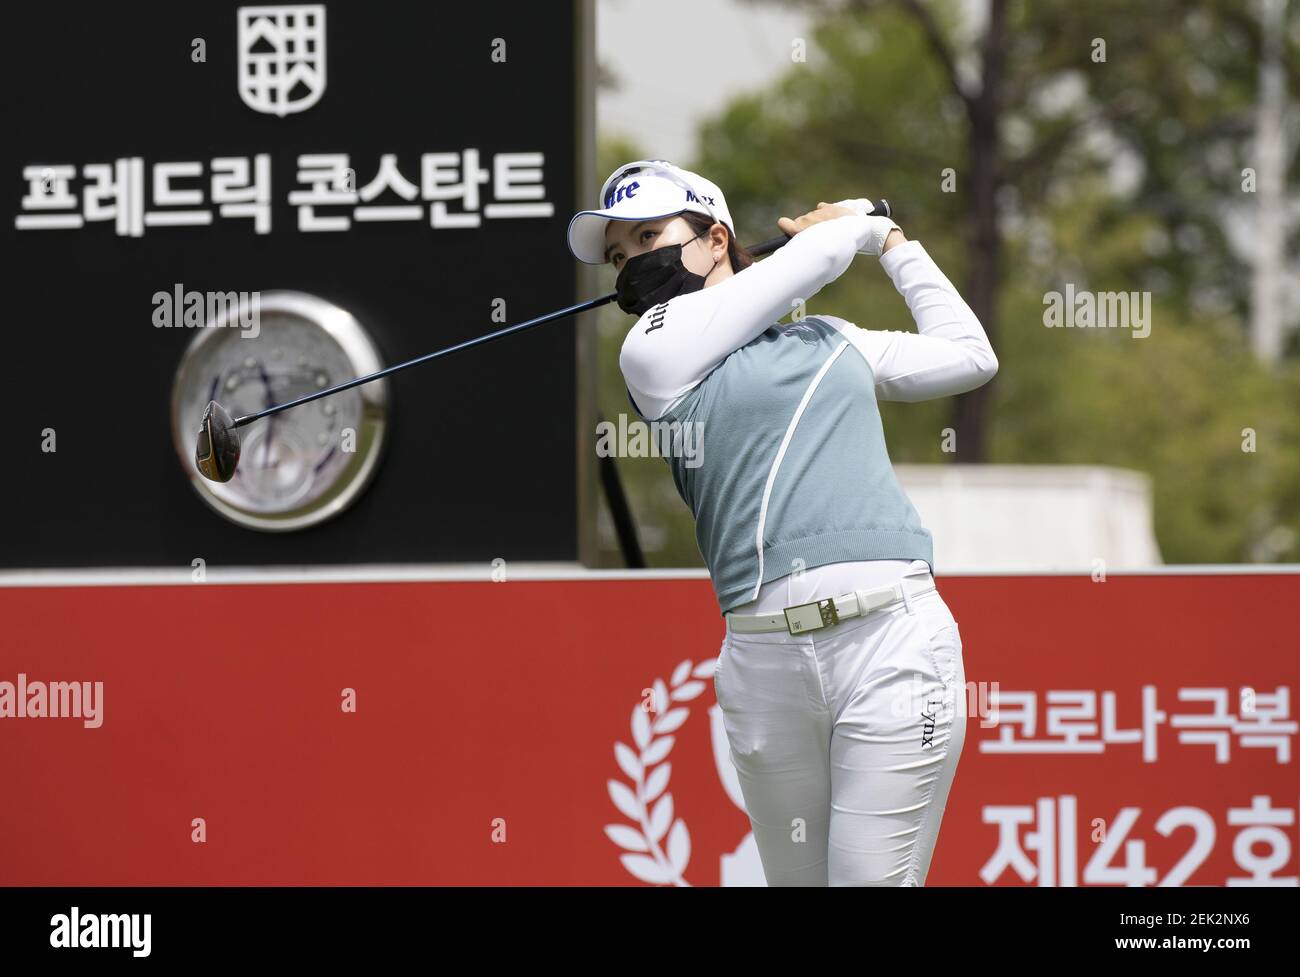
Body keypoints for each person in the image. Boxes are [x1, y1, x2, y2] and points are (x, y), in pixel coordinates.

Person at [567, 159, 998, 886]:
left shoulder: (832, 339)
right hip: (765, 665)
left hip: (891, 640)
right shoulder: (652, 353)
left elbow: (970, 354)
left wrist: (893, 241)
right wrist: (853, 223)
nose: (633, 263)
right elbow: (820, 257)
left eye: (648, 236)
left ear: (714, 240)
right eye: (618, 254)